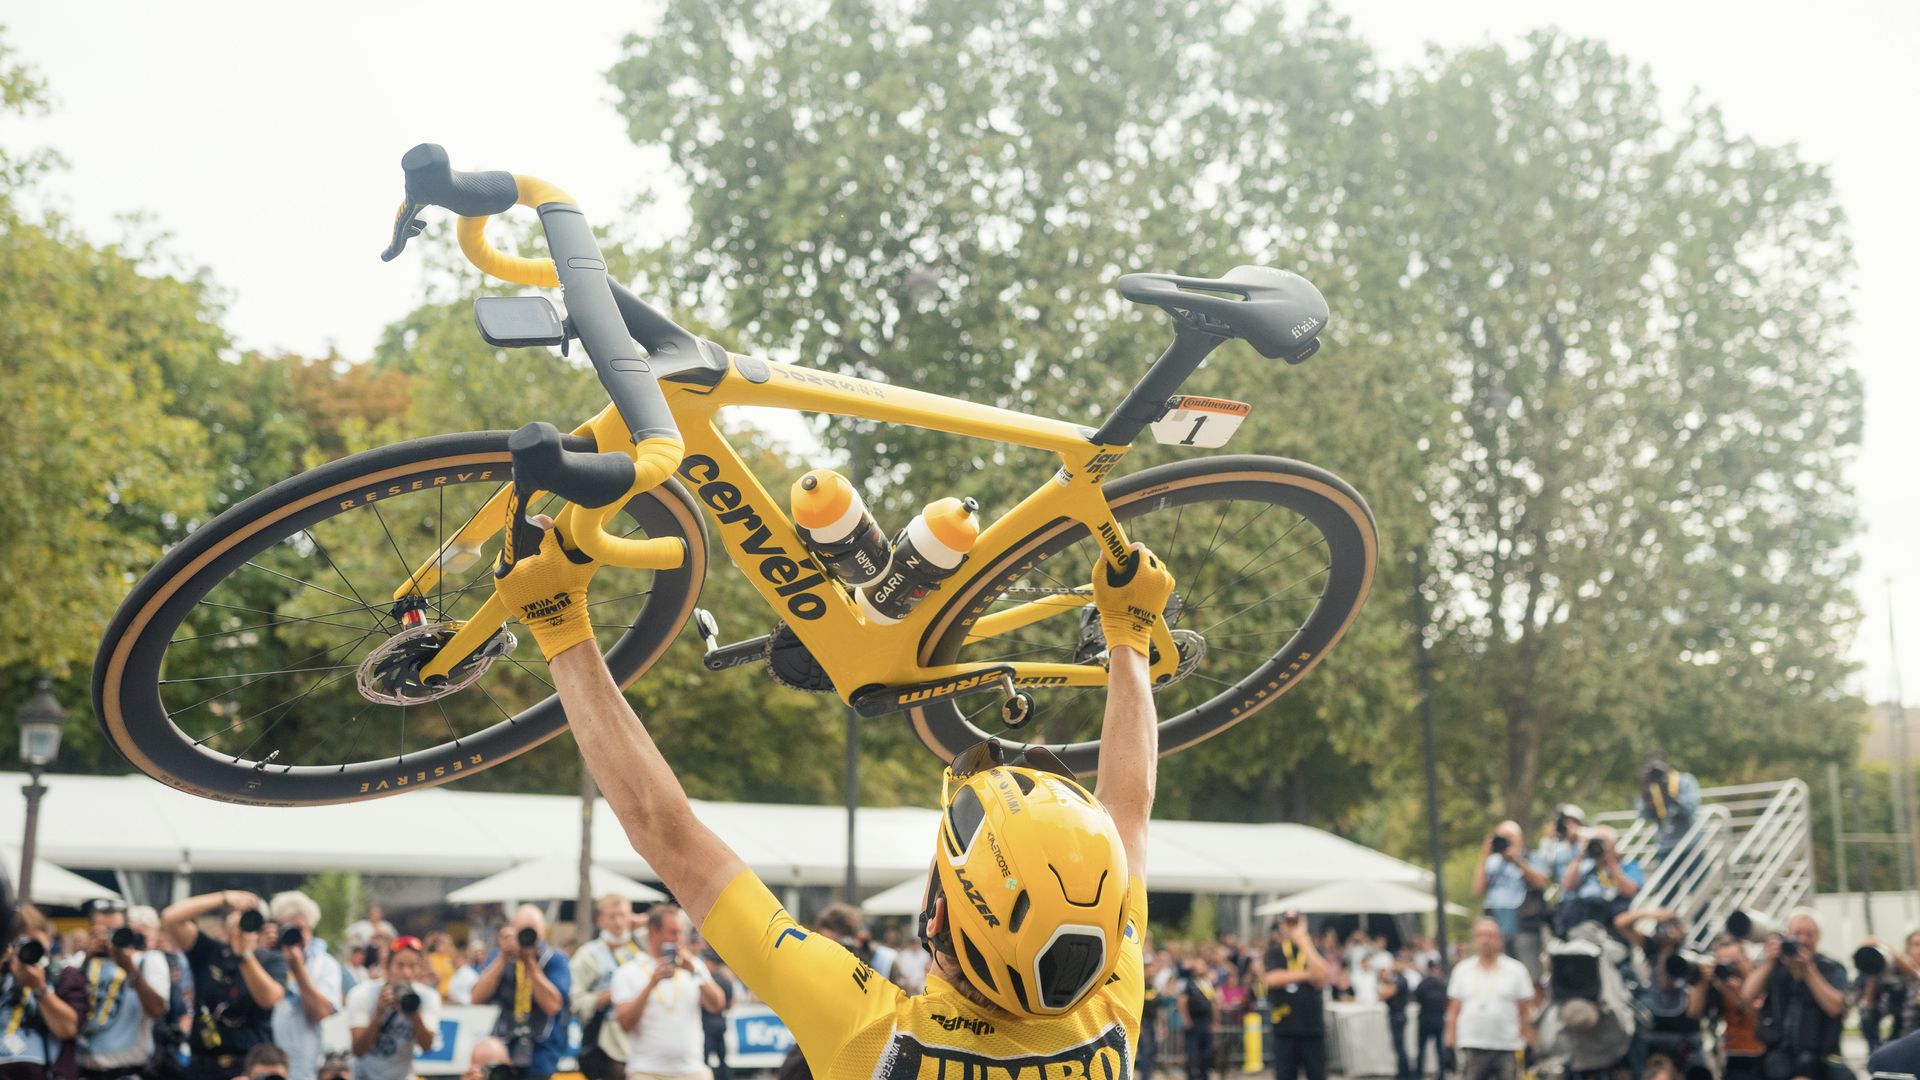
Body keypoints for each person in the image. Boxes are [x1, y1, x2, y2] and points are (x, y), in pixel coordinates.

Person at [494, 518, 1172, 1080]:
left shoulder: (1104, 993)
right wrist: (560, 629)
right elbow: (664, 836)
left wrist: (1130, 632)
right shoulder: (1106, 1016)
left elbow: (1127, 811)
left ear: (936, 918)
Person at [159, 891, 282, 1080]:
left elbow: (269, 999)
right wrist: (224, 898)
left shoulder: (271, 960)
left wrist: (245, 955)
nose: (243, 924)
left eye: (249, 918)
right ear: (225, 924)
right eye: (236, 917)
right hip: (204, 1064)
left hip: (249, 1066)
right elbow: (170, 918)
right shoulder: (210, 952)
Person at [612, 905, 725, 1080]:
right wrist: (651, 984)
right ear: (653, 932)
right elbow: (625, 1023)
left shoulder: (693, 965)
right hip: (646, 1071)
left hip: (692, 1069)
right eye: (673, 933)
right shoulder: (628, 971)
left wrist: (694, 972)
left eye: (681, 933)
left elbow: (717, 1004)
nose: (679, 939)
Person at [67, 897, 170, 1080]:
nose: (107, 937)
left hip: (127, 1071)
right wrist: (87, 960)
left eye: (113, 931)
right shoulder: (79, 963)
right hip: (84, 1070)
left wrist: (129, 968)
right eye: (102, 931)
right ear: (92, 930)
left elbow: (158, 1010)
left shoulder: (148, 960)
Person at [1740, 910, 1849, 1080]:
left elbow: (1835, 1007)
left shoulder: (1831, 968)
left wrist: (1808, 970)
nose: (1803, 940)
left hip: (1819, 1058)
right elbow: (1746, 996)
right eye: (1797, 934)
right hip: (1778, 1055)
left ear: (1818, 938)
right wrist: (1769, 961)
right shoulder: (1774, 965)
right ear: (1787, 935)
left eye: (1809, 935)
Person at [469, 906, 570, 1080]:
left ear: (543, 932)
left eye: (532, 931)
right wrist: (502, 956)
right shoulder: (499, 957)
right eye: (522, 931)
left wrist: (529, 962)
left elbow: (553, 1005)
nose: (527, 937)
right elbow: (476, 997)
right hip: (505, 1044)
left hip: (542, 1048)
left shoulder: (555, 960)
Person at [1612, 909, 1709, 1077]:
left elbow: (1672, 989)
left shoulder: (1691, 954)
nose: (1666, 932)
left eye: (1670, 927)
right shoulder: (1653, 948)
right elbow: (1620, 923)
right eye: (1661, 928)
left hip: (1684, 1031)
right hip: (1655, 1028)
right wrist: (1652, 914)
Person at [256, 892, 340, 1080]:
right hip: (259, 1062)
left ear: (310, 929)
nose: (294, 935)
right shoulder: (262, 957)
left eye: (300, 929)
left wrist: (298, 968)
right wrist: (259, 953)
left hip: (301, 1068)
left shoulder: (324, 964)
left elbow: (320, 1012)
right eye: (287, 928)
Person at [1, 904, 84, 1080]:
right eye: (19, 941)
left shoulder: (63, 975)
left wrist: (40, 989)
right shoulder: (4, 972)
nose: (26, 950)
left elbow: (68, 1029)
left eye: (33, 942)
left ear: (48, 937)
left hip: (45, 1071)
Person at [1444, 918, 1533, 1080]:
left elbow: (1525, 1013)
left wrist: (1529, 1045)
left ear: (1499, 939)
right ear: (1474, 940)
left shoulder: (1516, 970)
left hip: (1507, 1046)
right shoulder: (1462, 970)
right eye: (1481, 935)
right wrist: (1449, 1044)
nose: (1485, 940)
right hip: (1472, 1045)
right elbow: (1452, 1012)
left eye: (1490, 935)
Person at [345, 936, 440, 1080]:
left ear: (420, 968)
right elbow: (358, 1050)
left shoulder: (428, 997)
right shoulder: (361, 994)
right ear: (386, 966)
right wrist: (378, 1014)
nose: (406, 973)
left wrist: (415, 1016)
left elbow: (427, 1046)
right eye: (400, 965)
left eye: (413, 966)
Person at [572, 895, 645, 1080]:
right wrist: (612, 994)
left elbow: (675, 922)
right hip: (607, 1038)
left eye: (623, 915)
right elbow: (574, 1001)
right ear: (600, 920)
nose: (618, 922)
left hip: (645, 1035)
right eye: (612, 916)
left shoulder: (643, 946)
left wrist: (645, 921)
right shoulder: (588, 955)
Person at [1473, 822, 1546, 979]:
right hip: (1496, 924)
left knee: (1530, 974)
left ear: (1520, 839)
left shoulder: (1531, 857)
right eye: (1501, 837)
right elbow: (1478, 889)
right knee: (1499, 973)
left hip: (1524, 923)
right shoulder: (1492, 862)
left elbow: (1540, 882)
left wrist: (1517, 860)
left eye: (1509, 837)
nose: (1505, 841)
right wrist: (1484, 855)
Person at [1261, 913, 1329, 1080]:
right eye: (1288, 923)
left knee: (1317, 1074)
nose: (1291, 927)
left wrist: (1304, 942)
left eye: (1295, 923)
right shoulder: (1276, 952)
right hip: (1285, 1029)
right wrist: (1307, 975)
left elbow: (1322, 977)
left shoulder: (1314, 950)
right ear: (1282, 925)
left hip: (1312, 1028)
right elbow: (1272, 979)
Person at [1555, 826, 1642, 935]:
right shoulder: (1586, 866)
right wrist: (1580, 856)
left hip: (1611, 921)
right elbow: (1567, 886)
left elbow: (1630, 890)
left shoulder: (1627, 865)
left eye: (1603, 842)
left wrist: (1611, 863)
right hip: (1582, 918)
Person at [1705, 934, 1764, 1080]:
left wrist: (1738, 991)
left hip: (1759, 1055)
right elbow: (1692, 1012)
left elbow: (1760, 1020)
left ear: (1747, 961)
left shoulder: (1761, 981)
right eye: (1724, 963)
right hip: (1732, 1055)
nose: (1729, 968)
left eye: (1734, 963)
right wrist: (1703, 982)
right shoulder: (1718, 986)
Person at [1636, 755, 1702, 867]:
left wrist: (1669, 794)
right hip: (1665, 846)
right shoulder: (1651, 787)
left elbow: (1690, 809)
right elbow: (1643, 815)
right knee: (1667, 883)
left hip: (1689, 844)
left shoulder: (1685, 780)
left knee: (1697, 881)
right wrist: (1645, 791)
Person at [1175, 958, 1214, 1080]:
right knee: (1192, 1051)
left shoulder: (1206, 983)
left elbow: (1213, 1002)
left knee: (1206, 1051)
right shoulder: (1189, 983)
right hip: (1194, 1021)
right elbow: (1182, 1001)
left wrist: (1214, 1021)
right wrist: (1186, 1019)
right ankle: (1191, 1076)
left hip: (1205, 1021)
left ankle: (1204, 1075)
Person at [1411, 959, 1448, 1078]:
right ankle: (1441, 1074)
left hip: (1425, 1019)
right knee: (1439, 1050)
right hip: (1438, 1019)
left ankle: (1418, 1074)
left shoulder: (1423, 984)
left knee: (1421, 1049)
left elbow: (1416, 997)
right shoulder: (1442, 984)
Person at [699, 960, 734, 1080]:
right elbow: (730, 1003)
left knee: (704, 1059)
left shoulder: (706, 982)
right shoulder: (725, 981)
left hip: (707, 1023)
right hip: (720, 1022)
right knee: (722, 1059)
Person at [1379, 957, 1411, 1080]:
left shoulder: (1401, 980)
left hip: (1398, 1015)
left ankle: (1405, 1074)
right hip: (1395, 1015)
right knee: (1398, 1046)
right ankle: (1402, 1072)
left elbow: (1386, 993)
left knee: (1400, 1046)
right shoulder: (1396, 979)